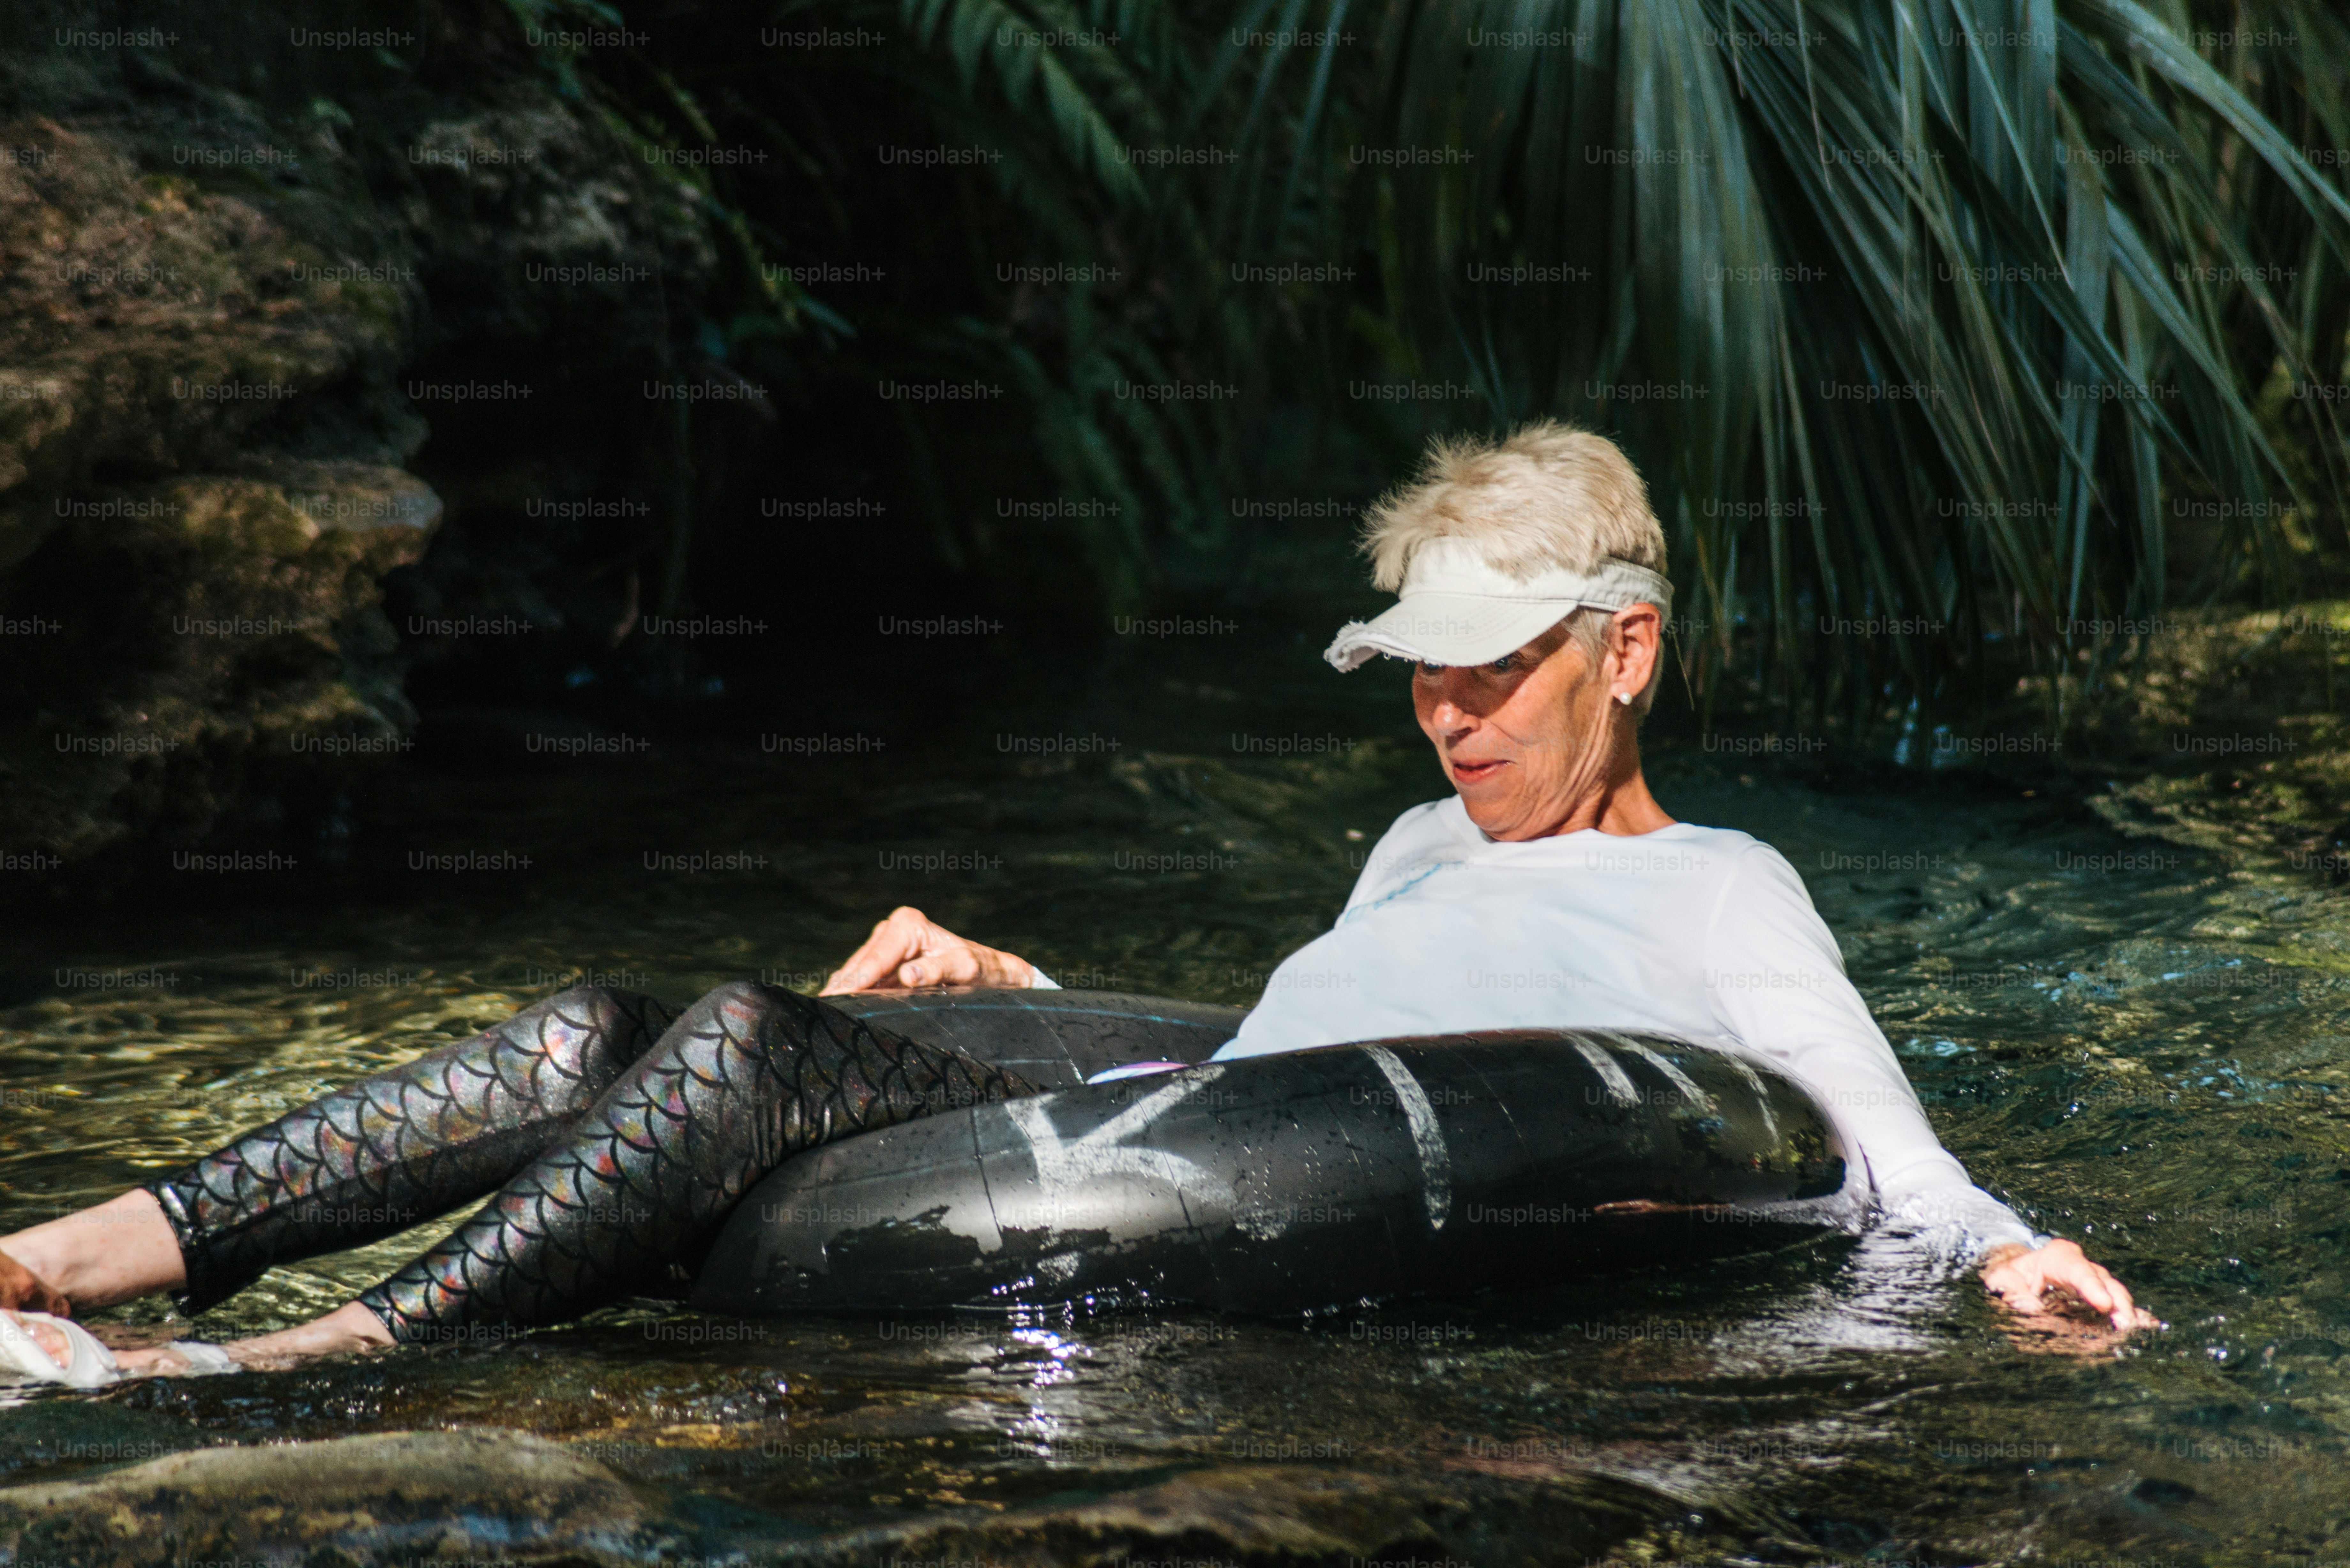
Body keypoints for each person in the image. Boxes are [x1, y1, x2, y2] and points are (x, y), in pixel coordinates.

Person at [0, 421, 2147, 1383]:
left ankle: (292, 1360)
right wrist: (1023, 999)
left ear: (1631, 648)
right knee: (601, 1021)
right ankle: (83, 1248)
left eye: (1498, 667)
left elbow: (1884, 1145)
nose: (1451, 712)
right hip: (1238, 1106)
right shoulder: (1412, 848)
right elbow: (1278, 1056)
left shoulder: (1720, 886)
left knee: (749, 1048)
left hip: (1471, 1161)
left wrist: (2011, 1259)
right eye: (1424, 671)